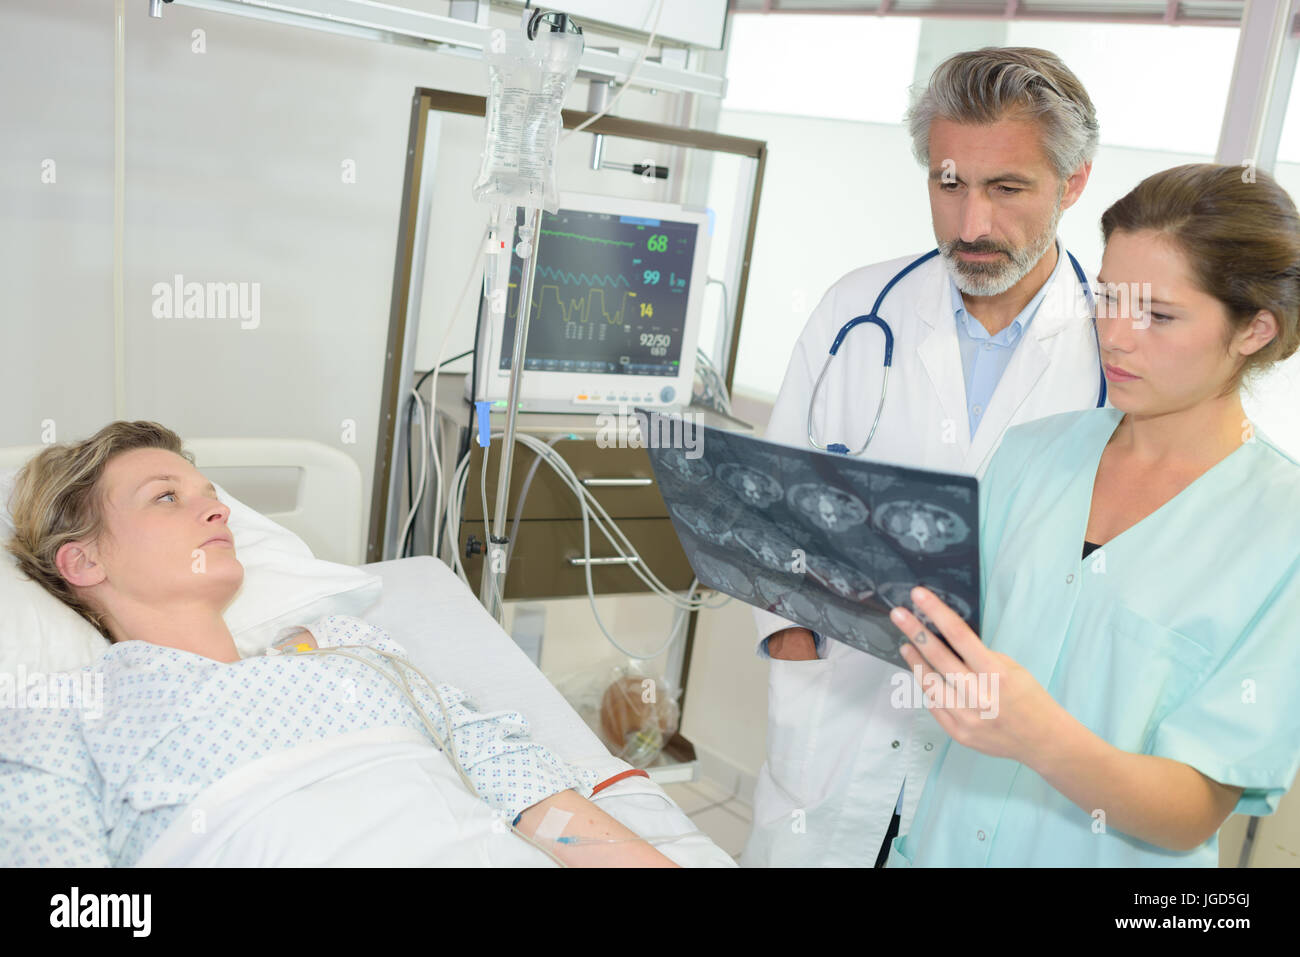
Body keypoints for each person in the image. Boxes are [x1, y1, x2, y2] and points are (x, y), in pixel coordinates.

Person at [0, 421, 677, 867]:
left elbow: (519, 787)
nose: (219, 509)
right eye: (165, 497)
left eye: (210, 493)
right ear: (83, 561)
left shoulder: (344, 650)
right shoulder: (65, 716)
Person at [744, 47, 1104, 868]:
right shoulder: (855, 310)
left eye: (1006, 188)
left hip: (992, 769)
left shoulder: (1113, 355)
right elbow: (771, 507)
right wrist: (794, 641)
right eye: (949, 184)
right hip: (835, 731)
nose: (971, 225)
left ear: (1073, 182)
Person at [885, 163, 1300, 865]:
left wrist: (1039, 736)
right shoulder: (1032, 455)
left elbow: (1192, 814)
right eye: (1109, 298)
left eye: (1158, 315)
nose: (1116, 335)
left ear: (1255, 329)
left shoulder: (1282, 532)